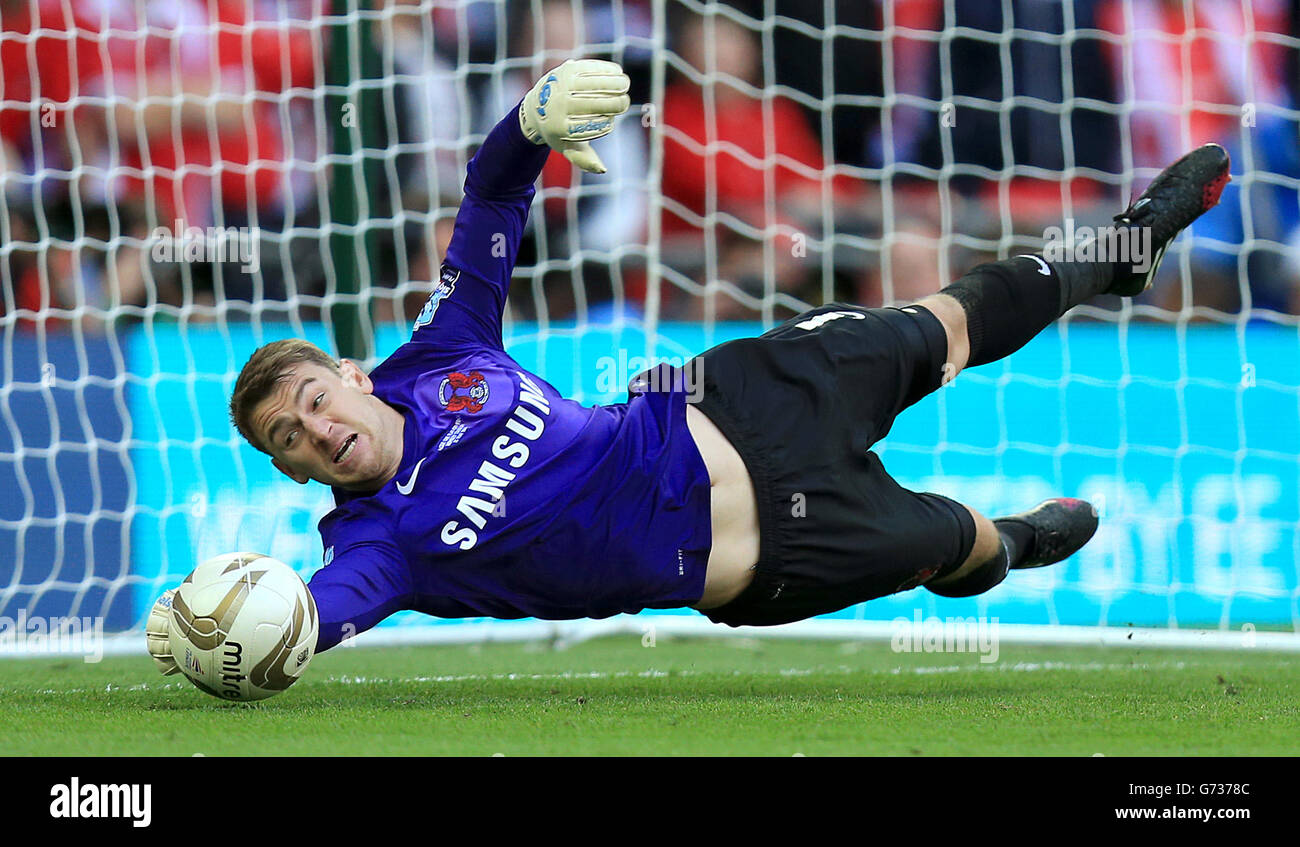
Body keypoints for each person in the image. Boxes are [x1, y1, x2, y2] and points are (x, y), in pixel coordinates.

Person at [144, 59, 1230, 671]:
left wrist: (526, 123)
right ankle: (1020, 541)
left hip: (732, 400)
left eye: (311, 399)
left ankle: (1119, 248)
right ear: (292, 473)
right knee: (959, 541)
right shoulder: (380, 544)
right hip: (766, 553)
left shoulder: (440, 355)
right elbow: (318, 612)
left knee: (939, 323)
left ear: (346, 373)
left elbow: (491, 203)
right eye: (291, 438)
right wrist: (224, 637)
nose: (318, 428)